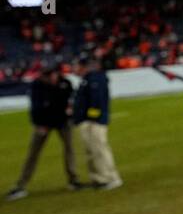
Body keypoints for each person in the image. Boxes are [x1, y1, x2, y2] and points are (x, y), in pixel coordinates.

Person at [8, 65, 85, 200]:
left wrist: (71, 111)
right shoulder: (37, 86)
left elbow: (73, 98)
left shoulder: (65, 83)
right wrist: (39, 125)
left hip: (62, 121)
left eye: (49, 75)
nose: (47, 78)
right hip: (44, 122)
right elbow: (35, 108)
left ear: (55, 74)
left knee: (69, 149)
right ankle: (21, 185)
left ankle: (74, 180)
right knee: (33, 153)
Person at [72, 54, 123, 190]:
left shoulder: (95, 78)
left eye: (76, 66)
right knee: (91, 151)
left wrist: (93, 118)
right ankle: (98, 178)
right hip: (85, 120)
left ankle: (111, 178)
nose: (74, 69)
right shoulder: (87, 79)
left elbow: (97, 101)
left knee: (99, 149)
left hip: (94, 121)